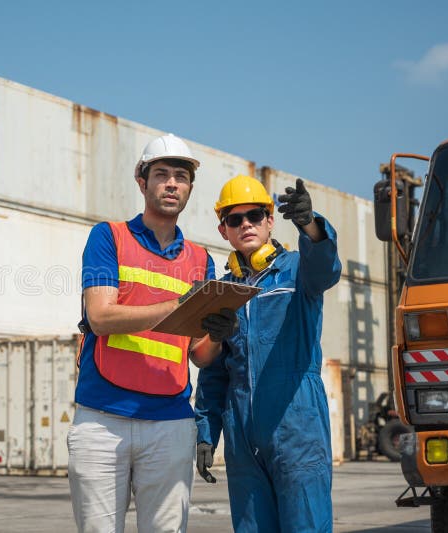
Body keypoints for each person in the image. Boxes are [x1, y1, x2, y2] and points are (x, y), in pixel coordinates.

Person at [67, 133, 230, 533]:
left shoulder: (201, 260)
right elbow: (100, 316)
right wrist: (176, 306)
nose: (172, 183)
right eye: (162, 174)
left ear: (190, 188)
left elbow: (200, 355)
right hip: (103, 419)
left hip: (171, 421)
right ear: (142, 182)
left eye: (181, 177)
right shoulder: (109, 237)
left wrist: (220, 334)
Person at [192, 175, 342, 533]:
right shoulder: (224, 291)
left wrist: (310, 225)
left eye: (255, 215)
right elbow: (215, 372)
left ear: (270, 220)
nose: (246, 224)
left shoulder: (297, 271)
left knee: (306, 527)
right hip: (242, 438)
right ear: (223, 230)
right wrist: (206, 432)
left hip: (297, 427)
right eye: (235, 219)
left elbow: (326, 269)